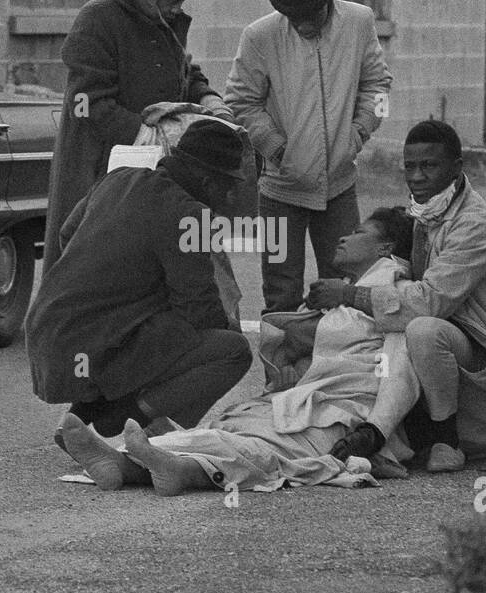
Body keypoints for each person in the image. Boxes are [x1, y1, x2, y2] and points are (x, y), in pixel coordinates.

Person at [58, 208, 416, 495]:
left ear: (385, 249)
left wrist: (373, 431)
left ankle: (180, 470)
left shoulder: (395, 298)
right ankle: (121, 463)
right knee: (235, 429)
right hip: (303, 402)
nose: (344, 236)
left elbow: (398, 371)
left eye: (359, 233)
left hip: (345, 415)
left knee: (267, 448)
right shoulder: (347, 296)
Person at [308, 119, 486, 469]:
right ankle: (376, 432)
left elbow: (429, 301)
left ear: (456, 168)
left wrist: (350, 295)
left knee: (421, 328)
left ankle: (448, 442)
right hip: (443, 382)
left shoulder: (474, 225)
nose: (416, 176)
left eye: (429, 165)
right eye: (409, 166)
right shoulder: (427, 214)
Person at [26, 119, 252, 437]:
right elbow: (199, 310)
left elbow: (68, 233)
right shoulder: (190, 216)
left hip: (48, 338)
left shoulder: (118, 179)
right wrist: (229, 322)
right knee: (232, 350)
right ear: (205, 178)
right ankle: (125, 423)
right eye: (227, 185)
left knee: (151, 325)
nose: (229, 195)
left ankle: (78, 421)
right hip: (93, 348)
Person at [43, 0, 236, 269]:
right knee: (98, 269)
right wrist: (153, 136)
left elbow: (182, 70)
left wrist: (209, 100)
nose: (178, 8)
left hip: (152, 169)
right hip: (100, 169)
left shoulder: (161, 20)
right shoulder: (99, 19)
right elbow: (86, 103)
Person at [225, 0, 393, 313]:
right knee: (281, 294)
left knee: (344, 288)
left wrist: (359, 133)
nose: (301, 25)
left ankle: (336, 370)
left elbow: (377, 85)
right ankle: (281, 371)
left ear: (327, 1)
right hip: (279, 189)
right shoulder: (259, 35)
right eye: (292, 17)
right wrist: (276, 148)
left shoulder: (359, 21)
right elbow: (241, 101)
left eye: (309, 15)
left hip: (340, 187)